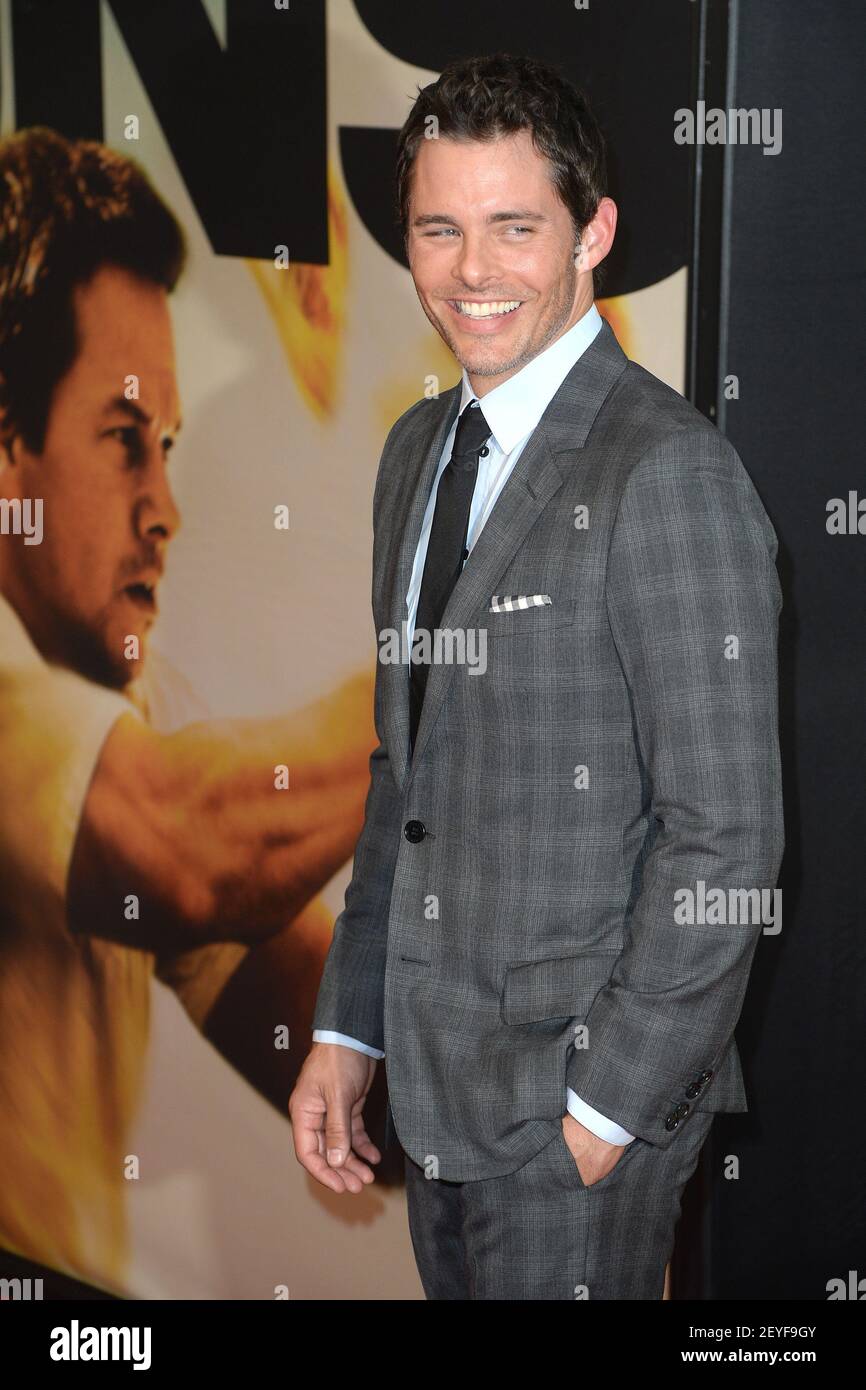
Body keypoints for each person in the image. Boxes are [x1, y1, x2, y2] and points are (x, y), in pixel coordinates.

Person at [289, 52, 784, 1300]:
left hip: (573, 1133)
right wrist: (350, 1027)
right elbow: (404, 771)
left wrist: (600, 1114)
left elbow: (725, 843)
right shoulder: (415, 451)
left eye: (515, 228)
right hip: (435, 1092)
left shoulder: (664, 474)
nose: (472, 271)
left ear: (591, 234)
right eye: (438, 229)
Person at [0, 127, 375, 1295]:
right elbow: (199, 846)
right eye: (125, 443)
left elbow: (347, 1053)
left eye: (165, 447)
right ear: (8, 449)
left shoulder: (108, 708)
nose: (167, 507)